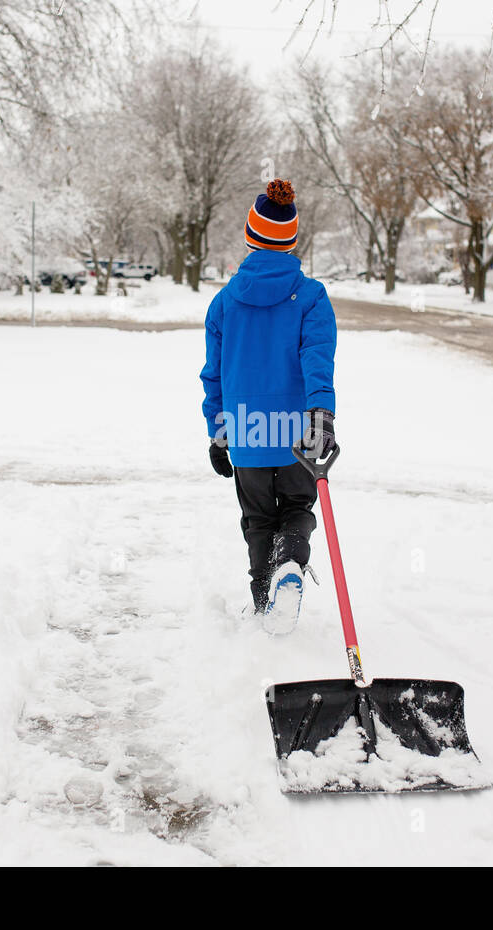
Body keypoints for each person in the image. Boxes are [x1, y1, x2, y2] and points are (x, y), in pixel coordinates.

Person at [199, 179, 337, 632]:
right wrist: (321, 413)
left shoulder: (224, 303)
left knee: (258, 518)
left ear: (250, 237)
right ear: (291, 240)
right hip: (298, 430)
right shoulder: (312, 296)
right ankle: (290, 564)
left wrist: (218, 433)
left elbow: (214, 375)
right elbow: (317, 359)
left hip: (246, 430)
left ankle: (265, 603)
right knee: (298, 506)